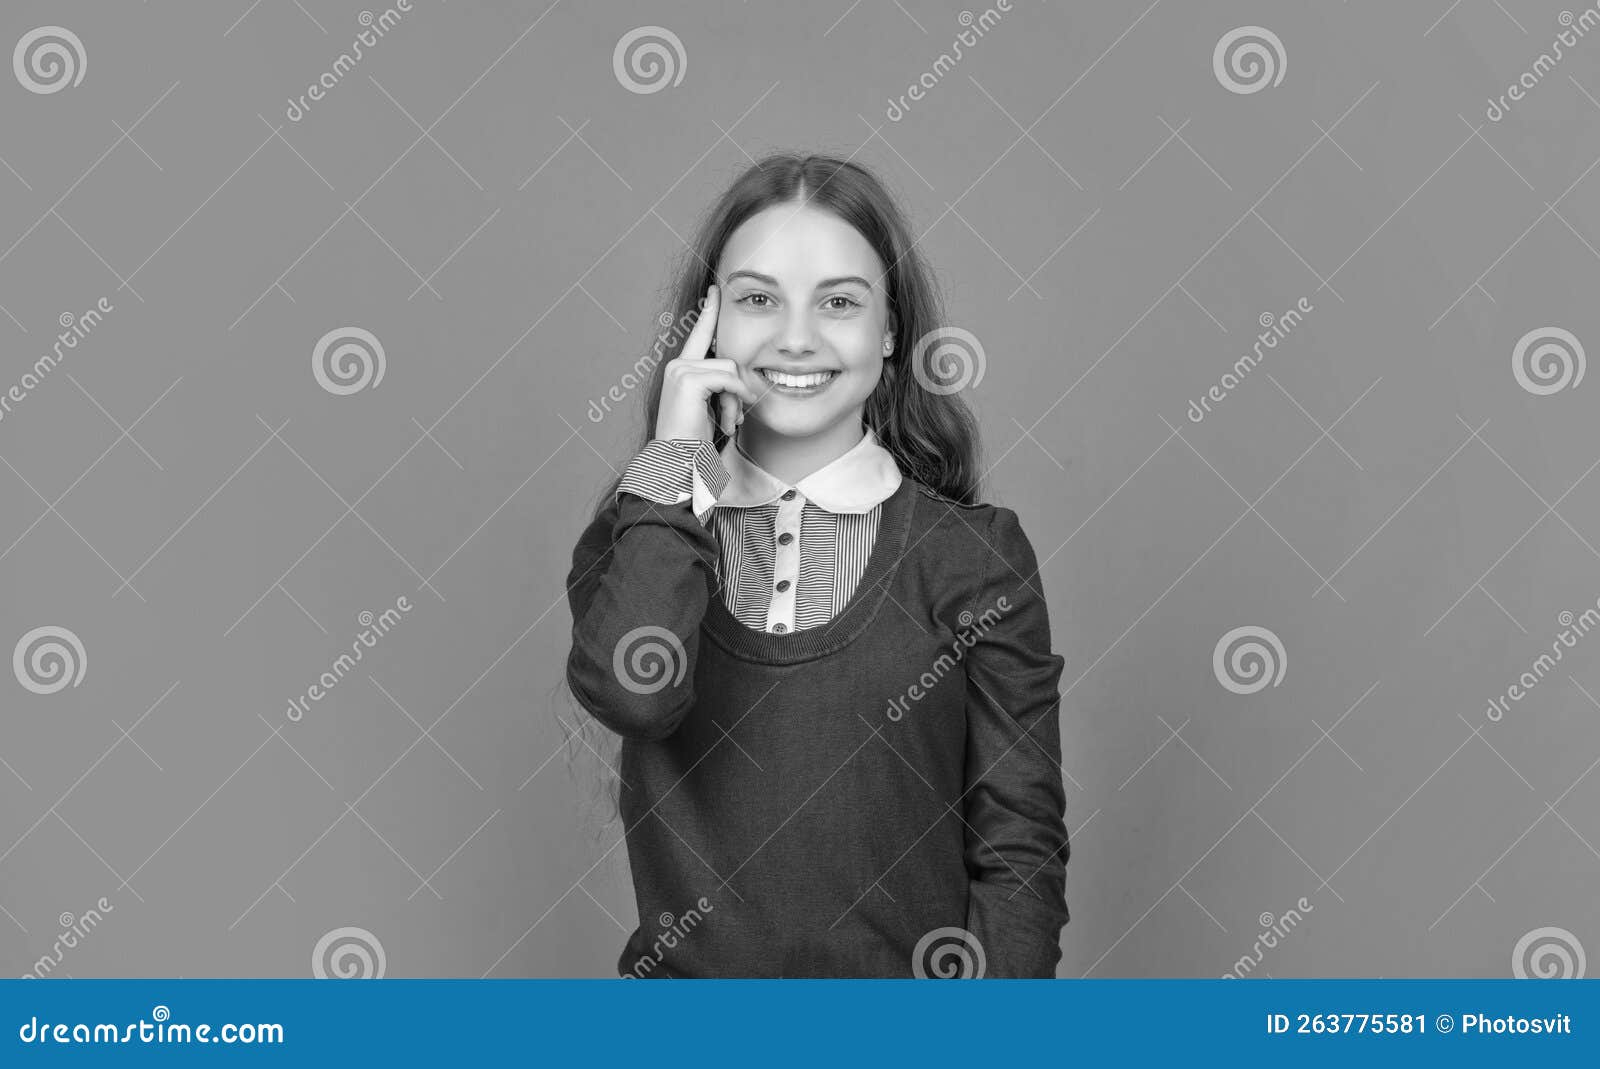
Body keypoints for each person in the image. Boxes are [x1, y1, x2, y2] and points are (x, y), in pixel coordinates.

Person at [564, 152, 1069, 978]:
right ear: (708, 327)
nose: (797, 337)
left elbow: (1020, 851)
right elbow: (635, 691)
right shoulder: (639, 534)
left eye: (839, 302)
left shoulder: (973, 558)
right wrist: (675, 462)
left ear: (891, 328)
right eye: (758, 299)